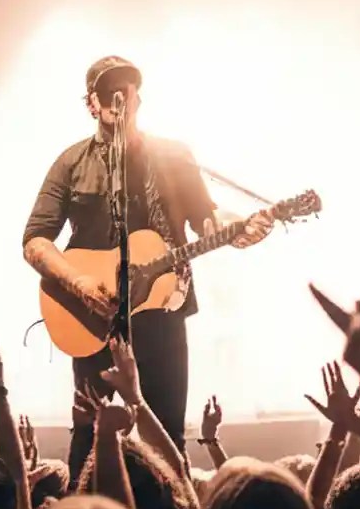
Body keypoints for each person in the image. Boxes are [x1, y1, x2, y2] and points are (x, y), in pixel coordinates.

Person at [22, 55, 273, 482]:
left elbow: (206, 217)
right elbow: (35, 240)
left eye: (128, 87)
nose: (120, 96)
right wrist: (79, 281)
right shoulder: (71, 162)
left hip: (163, 311)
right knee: (91, 434)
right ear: (92, 103)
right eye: (108, 90)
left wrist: (240, 228)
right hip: (94, 315)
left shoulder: (172, 156)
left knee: (166, 434)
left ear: (139, 95)